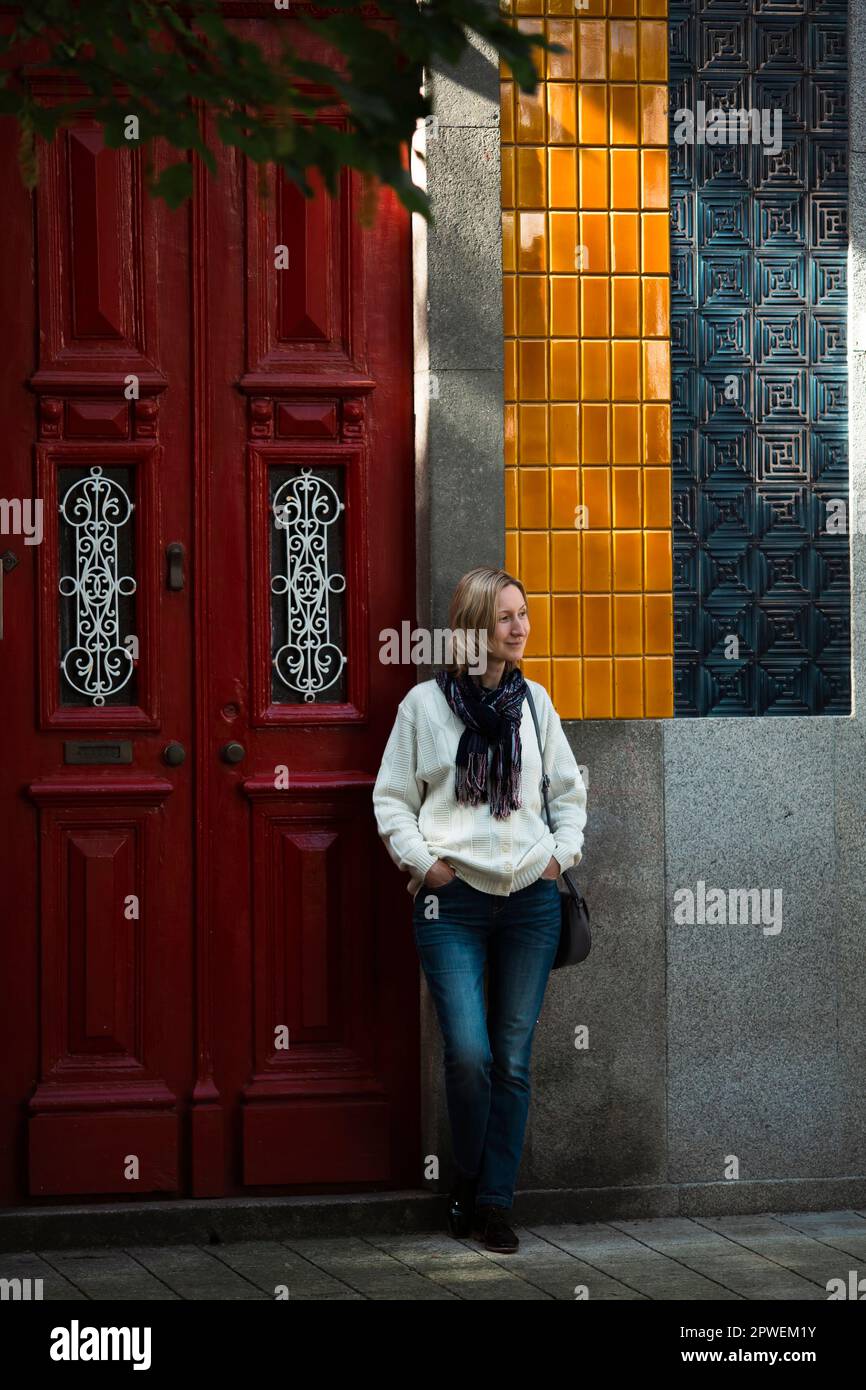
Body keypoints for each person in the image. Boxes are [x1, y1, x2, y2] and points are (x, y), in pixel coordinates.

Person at [372, 566, 587, 1252]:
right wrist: (426, 866)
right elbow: (391, 800)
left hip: (530, 901)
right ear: (471, 628)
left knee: (514, 1059)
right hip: (454, 903)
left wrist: (559, 857)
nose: (520, 627)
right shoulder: (423, 709)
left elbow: (569, 794)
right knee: (470, 1053)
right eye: (505, 618)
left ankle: (493, 1202)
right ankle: (467, 1177)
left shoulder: (536, 705)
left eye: (524, 614)